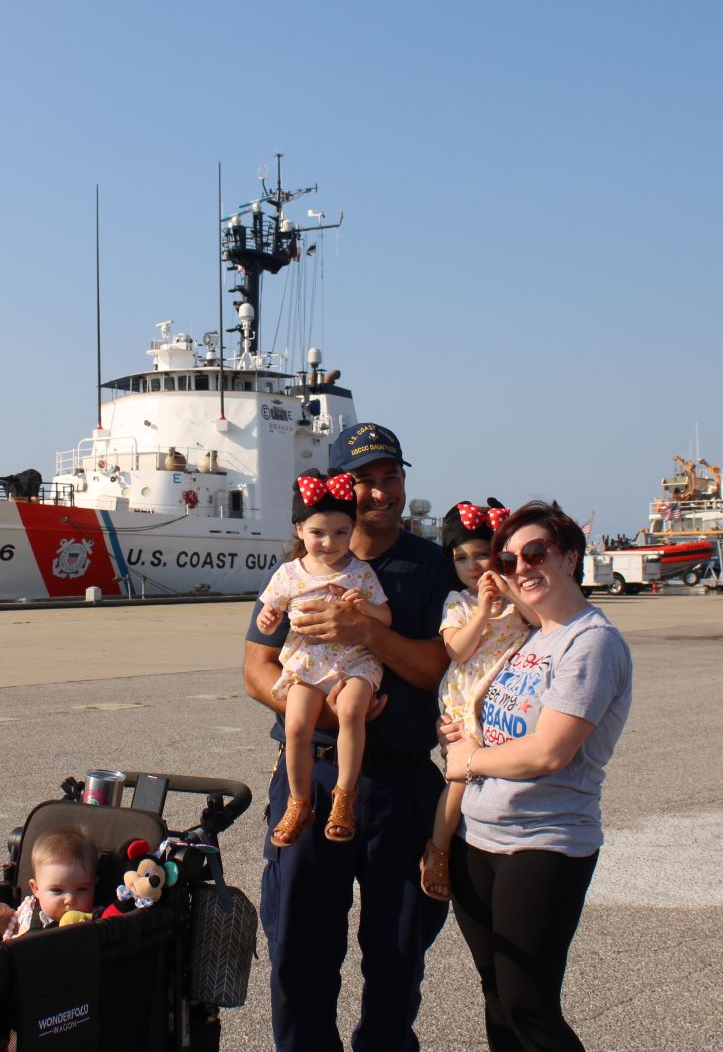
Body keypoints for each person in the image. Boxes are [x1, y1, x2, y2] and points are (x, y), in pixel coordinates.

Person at [243, 422, 456, 1052]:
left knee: (397, 949)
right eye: (364, 481)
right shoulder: (299, 564)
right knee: (299, 946)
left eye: (392, 477)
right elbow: (256, 670)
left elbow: (436, 668)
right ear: (340, 489)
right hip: (314, 771)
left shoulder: (431, 568)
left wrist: (366, 632)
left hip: (396, 782)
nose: (381, 493)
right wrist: (321, 712)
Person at [441, 500, 634, 1052]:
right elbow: (489, 713)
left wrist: (468, 763)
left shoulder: (590, 642)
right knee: (498, 996)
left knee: (530, 1003)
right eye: (507, 558)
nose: (521, 567)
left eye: (535, 553)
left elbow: (550, 752)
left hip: (544, 841)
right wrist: (459, 730)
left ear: (570, 556)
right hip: (477, 837)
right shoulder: (530, 636)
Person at [258, 469, 394, 847]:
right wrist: (269, 618)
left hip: (354, 661)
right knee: (296, 727)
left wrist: (364, 606)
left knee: (351, 712)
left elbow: (385, 617)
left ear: (352, 530)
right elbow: (268, 624)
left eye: (340, 532)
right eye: (318, 533)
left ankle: (343, 797)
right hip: (307, 662)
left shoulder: (360, 572)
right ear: (300, 530)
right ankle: (299, 802)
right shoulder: (287, 574)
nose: (329, 542)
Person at [420, 499, 530, 902]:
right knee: (461, 776)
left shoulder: (517, 597)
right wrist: (483, 609)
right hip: (467, 700)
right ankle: (439, 848)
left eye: (482, 554)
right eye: (461, 558)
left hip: (507, 697)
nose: (472, 566)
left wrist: (509, 593)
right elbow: (457, 650)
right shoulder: (459, 602)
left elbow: (539, 621)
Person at [0, 828, 97, 939]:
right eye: (57, 890)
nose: (70, 899)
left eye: (82, 889)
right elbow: (10, 935)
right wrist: (1, 918)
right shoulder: (29, 912)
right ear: (35, 889)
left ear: (94, 886)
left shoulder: (96, 918)